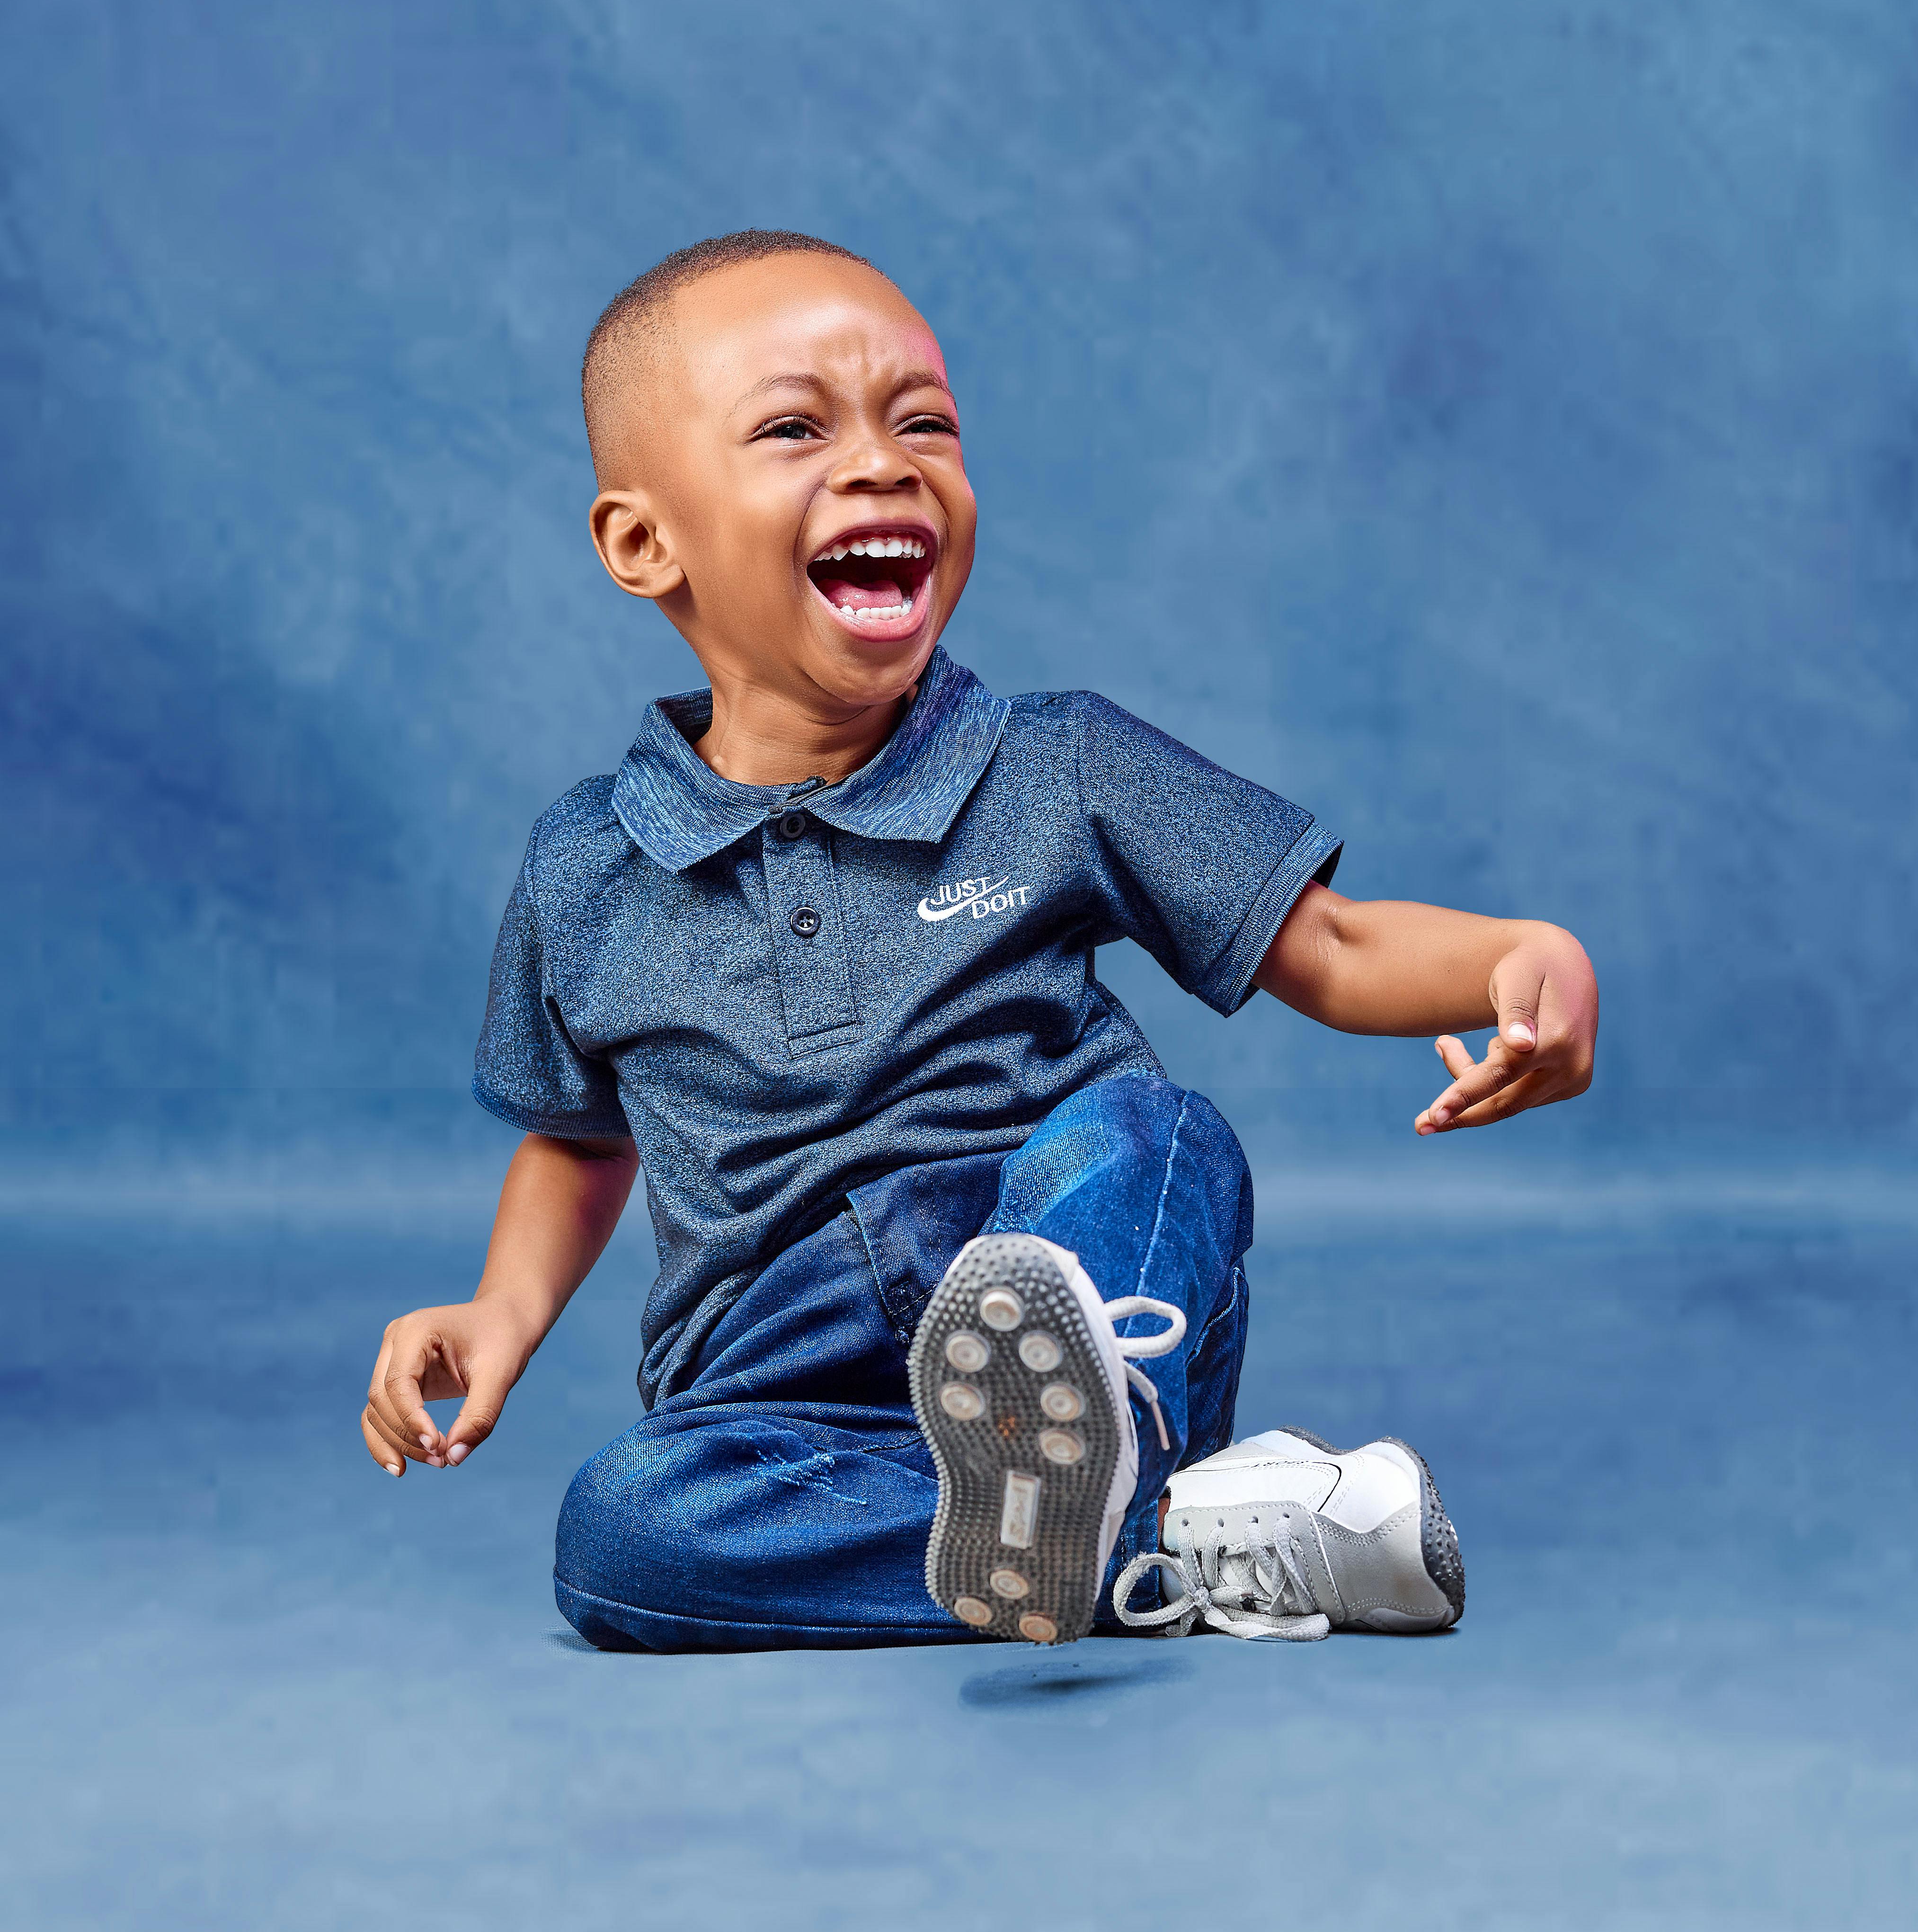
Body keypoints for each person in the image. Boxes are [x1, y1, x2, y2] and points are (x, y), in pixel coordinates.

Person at [358, 231, 1598, 1653]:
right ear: (646, 543)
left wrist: (1525, 958)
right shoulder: (589, 865)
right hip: (780, 1376)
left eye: (924, 422)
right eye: (793, 427)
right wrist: (502, 1314)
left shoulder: (1056, 765)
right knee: (622, 1529)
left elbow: (1336, 943)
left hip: (1073, 1275)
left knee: (1149, 1135)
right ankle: (1155, 1543)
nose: (886, 462)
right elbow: (583, 1137)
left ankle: (1100, 1460)